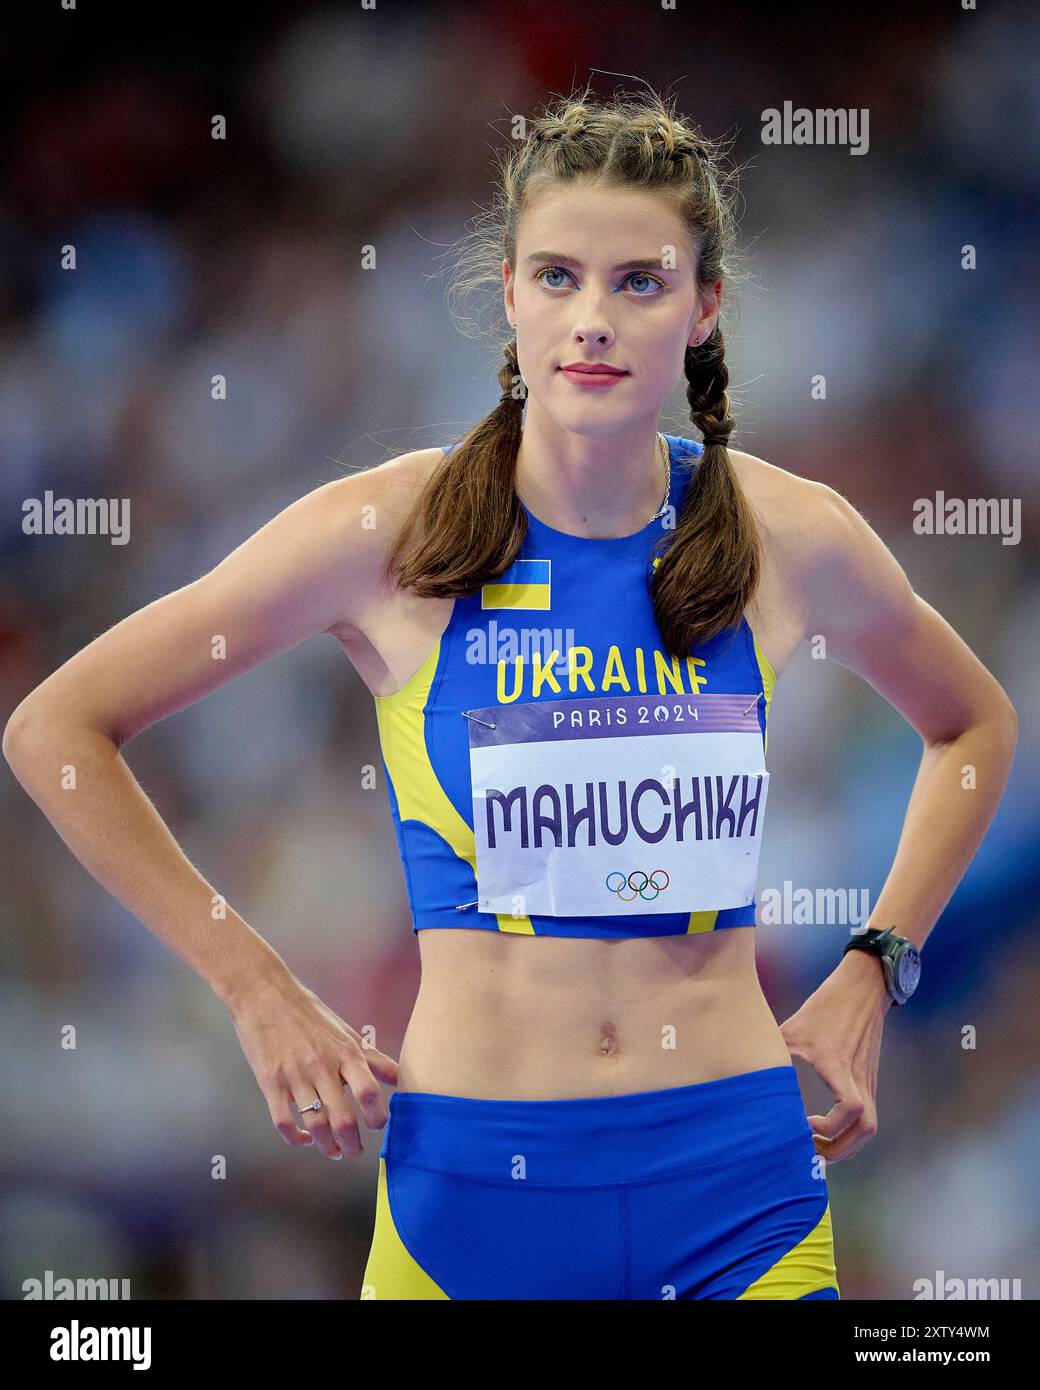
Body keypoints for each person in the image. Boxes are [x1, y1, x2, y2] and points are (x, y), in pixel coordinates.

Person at [2, 86, 1017, 1301]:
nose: (591, 319)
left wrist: (872, 968)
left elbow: (971, 724)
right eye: (555, 278)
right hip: (474, 1203)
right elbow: (58, 727)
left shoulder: (789, 534)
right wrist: (257, 991)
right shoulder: (388, 533)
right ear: (509, 298)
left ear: (703, 309)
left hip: (733, 1192)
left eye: (638, 282)